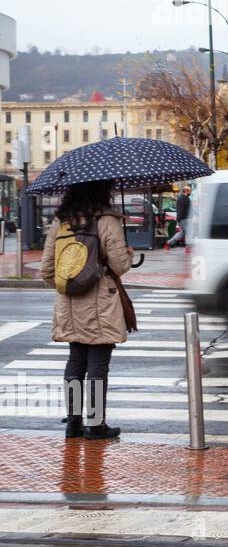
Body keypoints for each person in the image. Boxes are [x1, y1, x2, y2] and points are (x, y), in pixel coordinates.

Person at [39, 179, 133, 440]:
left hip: (69, 302)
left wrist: (71, 283)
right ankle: (95, 424)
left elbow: (47, 270)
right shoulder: (107, 220)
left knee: (76, 361)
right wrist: (128, 253)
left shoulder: (61, 221)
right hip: (101, 300)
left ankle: (73, 422)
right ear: (103, 191)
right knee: (98, 363)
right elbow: (120, 265)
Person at [165, 184, 191, 249]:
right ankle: (188, 247)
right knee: (189, 231)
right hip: (183, 219)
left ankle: (168, 243)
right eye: (189, 191)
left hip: (183, 219)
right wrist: (179, 219)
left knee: (182, 233)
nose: (190, 192)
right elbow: (180, 209)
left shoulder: (183, 198)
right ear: (186, 191)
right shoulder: (183, 198)